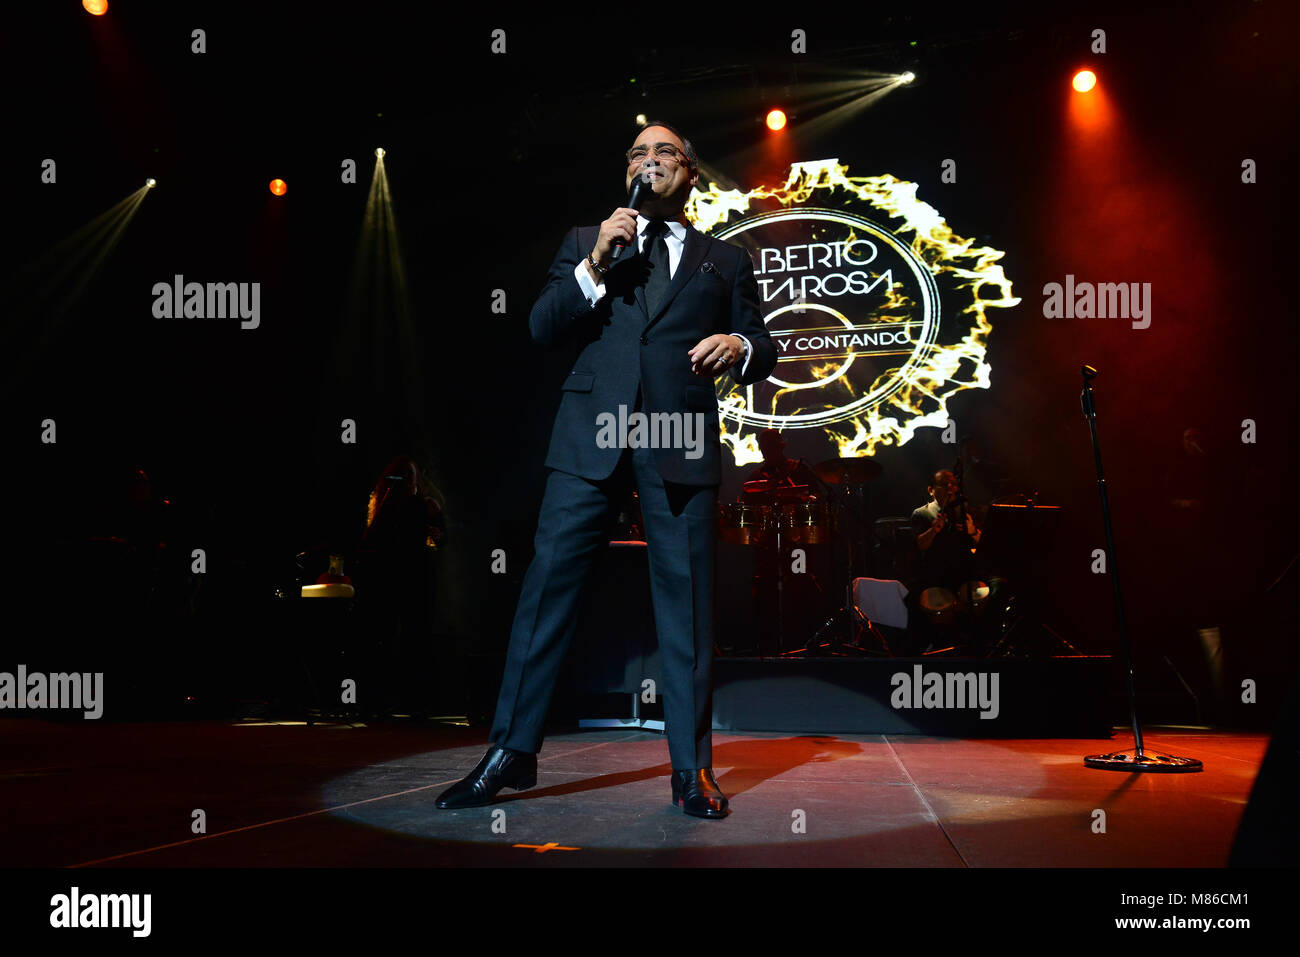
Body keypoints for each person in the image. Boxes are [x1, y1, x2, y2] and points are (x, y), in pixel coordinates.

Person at [436, 122, 776, 818]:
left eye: (665, 154)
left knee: (685, 605)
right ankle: (510, 751)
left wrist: (738, 342)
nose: (649, 162)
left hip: (675, 434)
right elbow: (541, 326)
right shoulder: (587, 240)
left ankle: (691, 769)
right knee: (546, 587)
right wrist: (595, 263)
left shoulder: (725, 259)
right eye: (637, 154)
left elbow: (764, 343)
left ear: (691, 174)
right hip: (591, 433)